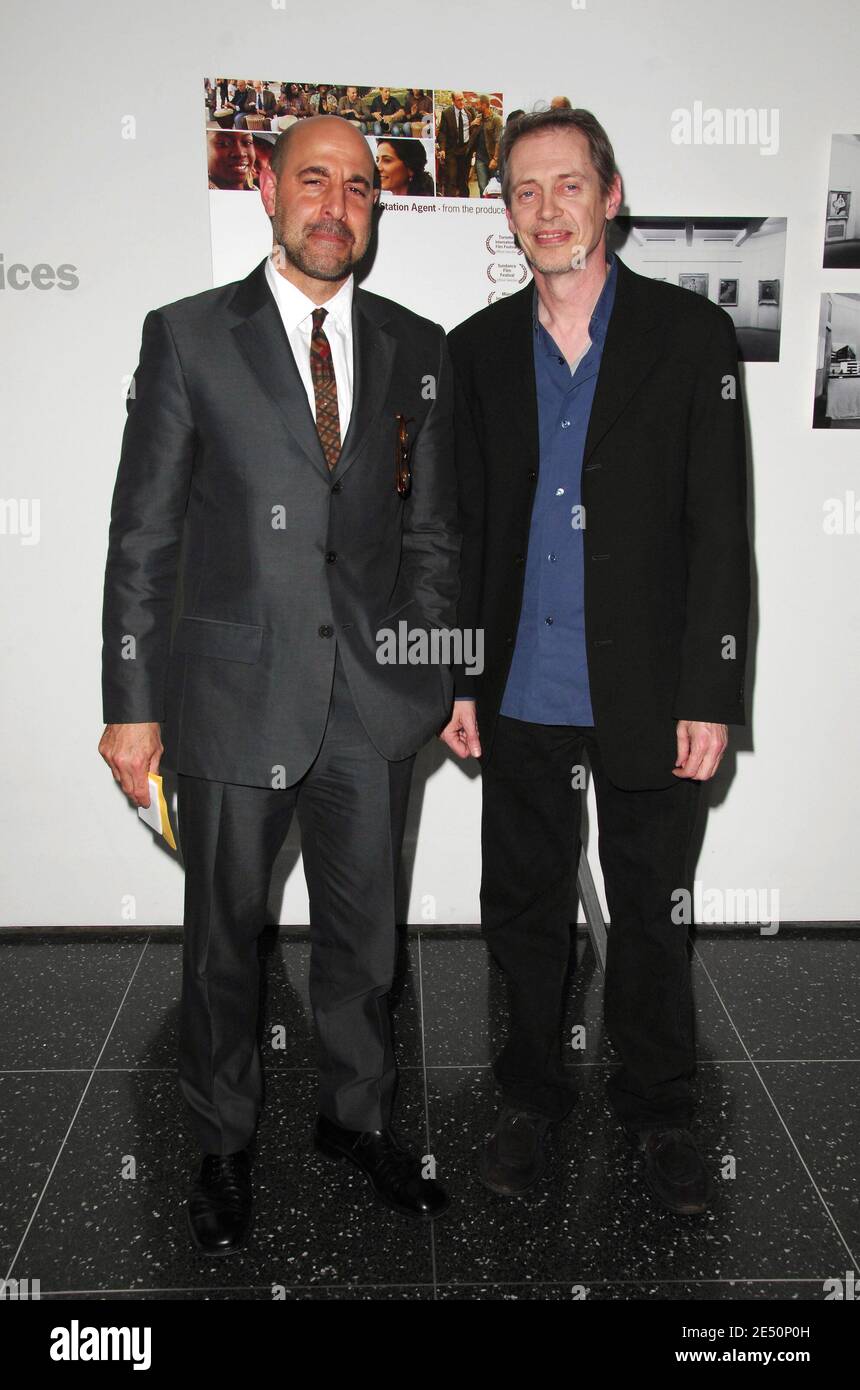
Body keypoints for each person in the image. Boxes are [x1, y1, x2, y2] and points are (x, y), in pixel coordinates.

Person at [100, 114, 459, 1255]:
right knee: (225, 940)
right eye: (314, 179)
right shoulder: (189, 337)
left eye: (358, 187)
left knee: (366, 943)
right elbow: (143, 534)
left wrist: (430, 672)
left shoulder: (418, 344)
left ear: (373, 207)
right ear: (266, 188)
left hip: (371, 705)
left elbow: (436, 538)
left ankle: (355, 1122)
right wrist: (129, 702)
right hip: (226, 696)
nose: (335, 204)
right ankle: (220, 1143)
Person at [441, 107, 750, 1215]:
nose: (546, 209)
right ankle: (528, 1099)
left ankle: (661, 1110)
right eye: (524, 191)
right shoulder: (473, 350)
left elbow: (720, 530)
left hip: (650, 694)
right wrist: (458, 675)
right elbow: (464, 530)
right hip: (520, 687)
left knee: (651, 912)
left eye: (567, 185)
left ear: (609, 196)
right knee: (521, 912)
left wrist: (710, 692)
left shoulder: (687, 338)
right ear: (506, 212)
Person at [436, 92, 476, 196]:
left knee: (464, 179)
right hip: (452, 150)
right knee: (451, 178)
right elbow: (442, 133)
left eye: (462, 99)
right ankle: (450, 203)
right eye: (459, 100)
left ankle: (465, 203)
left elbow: (473, 130)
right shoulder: (447, 113)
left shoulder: (470, 112)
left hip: (466, 150)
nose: (462, 102)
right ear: (453, 101)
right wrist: (443, 149)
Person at [469, 94, 503, 196]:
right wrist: (472, 124)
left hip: (492, 157)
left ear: (484, 105)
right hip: (480, 158)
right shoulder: (478, 118)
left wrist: (495, 159)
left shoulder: (496, 119)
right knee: (482, 187)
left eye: (477, 104)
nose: (475, 106)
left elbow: (499, 140)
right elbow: (472, 137)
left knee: (494, 188)